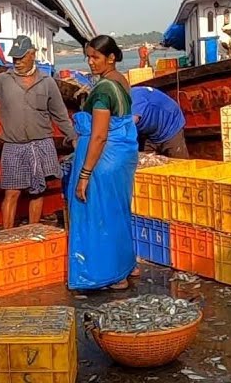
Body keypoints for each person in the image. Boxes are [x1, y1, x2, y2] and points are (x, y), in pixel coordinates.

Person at [0, 36, 75, 228]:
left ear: (32, 54)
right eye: (14, 58)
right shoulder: (3, 80)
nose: (16, 62)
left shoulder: (47, 81)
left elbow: (60, 115)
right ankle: (7, 234)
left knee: (38, 191)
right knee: (12, 192)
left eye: (21, 57)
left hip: (42, 142)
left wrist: (73, 137)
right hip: (13, 145)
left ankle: (33, 230)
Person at [66, 35, 139, 291]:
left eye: (95, 57)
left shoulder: (104, 90)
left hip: (102, 162)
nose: (90, 62)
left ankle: (110, 274)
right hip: (120, 159)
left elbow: (99, 135)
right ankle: (127, 264)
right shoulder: (121, 81)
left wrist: (85, 174)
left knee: (98, 216)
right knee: (117, 212)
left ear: (110, 58)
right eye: (88, 56)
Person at [131, 86, 188, 158]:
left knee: (181, 164)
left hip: (171, 125)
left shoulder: (134, 96)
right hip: (151, 134)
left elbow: (130, 123)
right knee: (146, 163)